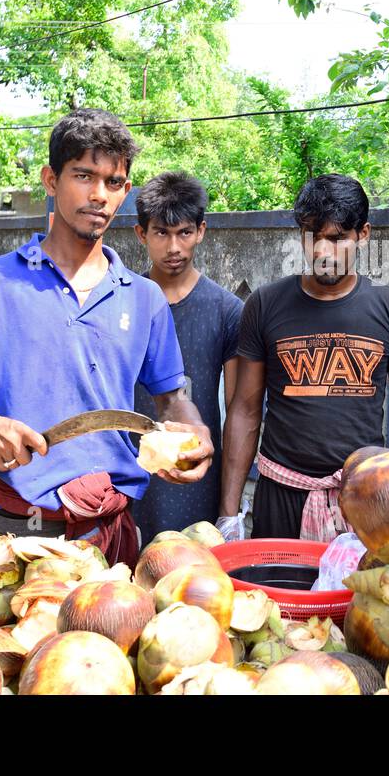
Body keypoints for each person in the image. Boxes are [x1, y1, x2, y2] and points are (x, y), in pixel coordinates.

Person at [0, 108, 214, 566]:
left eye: (114, 182)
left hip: (113, 533)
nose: (99, 195)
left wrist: (192, 431)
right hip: (19, 533)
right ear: (50, 179)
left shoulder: (144, 299)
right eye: (83, 175)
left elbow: (171, 398)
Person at [218, 174, 389, 542]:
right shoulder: (264, 304)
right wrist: (228, 514)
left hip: (361, 497)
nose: (322, 251)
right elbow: (245, 411)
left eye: (337, 238)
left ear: (363, 234)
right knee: (277, 599)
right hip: (280, 493)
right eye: (312, 235)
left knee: (355, 600)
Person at [131, 171, 243, 542]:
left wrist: (229, 509)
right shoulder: (122, 303)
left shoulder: (226, 310)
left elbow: (237, 413)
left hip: (197, 476)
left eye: (184, 233)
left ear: (201, 231)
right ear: (141, 234)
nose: (174, 247)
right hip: (129, 475)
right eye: (161, 232)